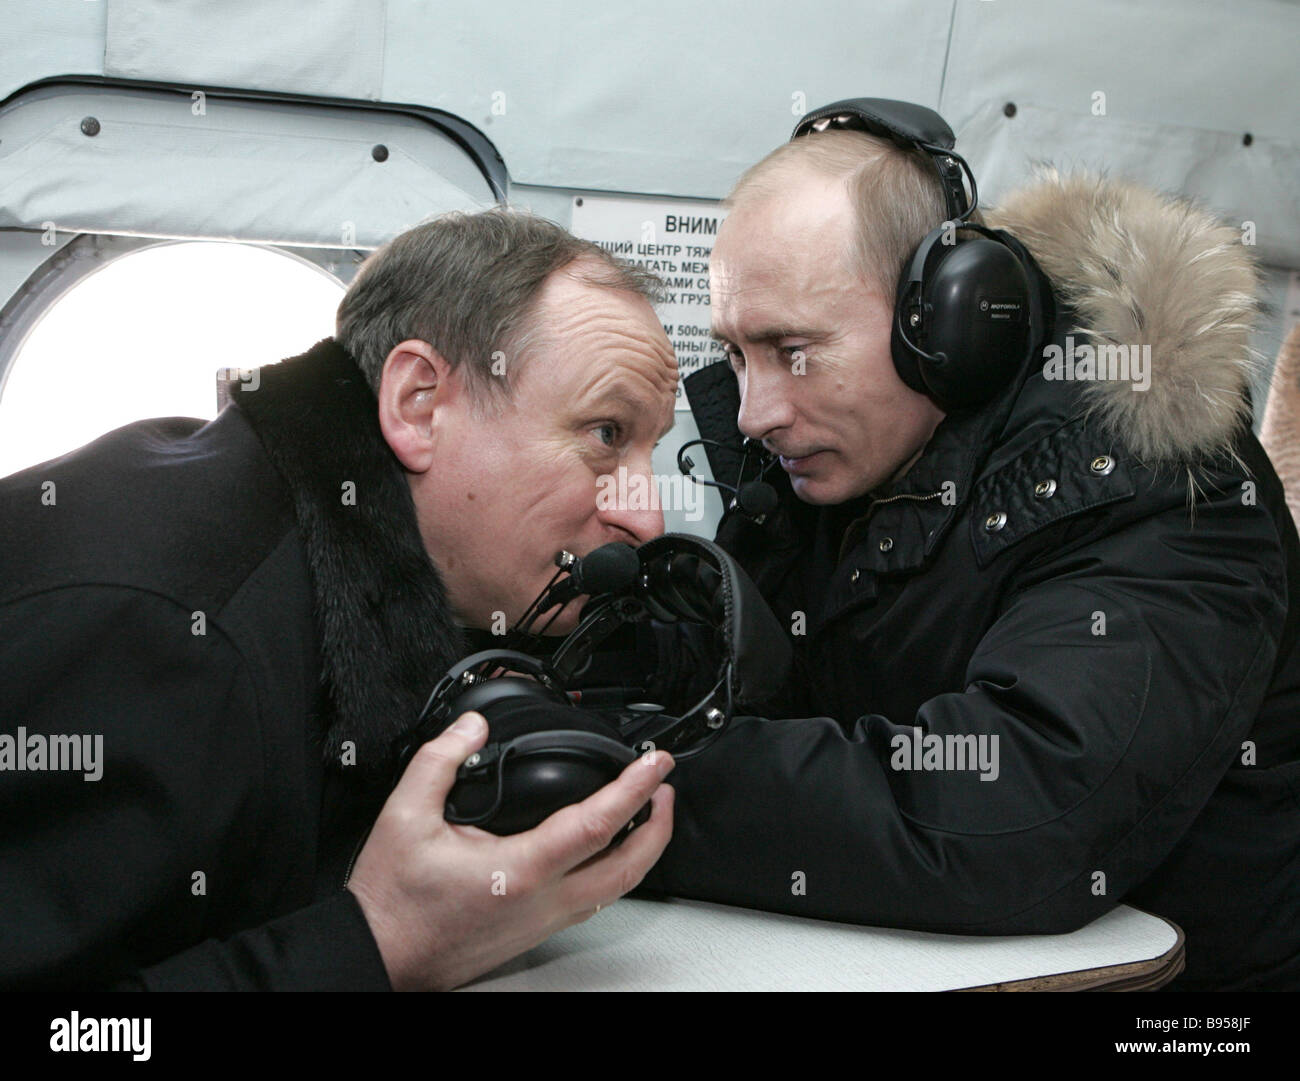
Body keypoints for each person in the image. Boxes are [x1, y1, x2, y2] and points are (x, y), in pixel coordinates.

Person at [636, 101, 1300, 990]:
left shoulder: (1167, 489)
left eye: (792, 349)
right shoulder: (838, 461)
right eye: (738, 354)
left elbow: (1009, 810)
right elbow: (760, 677)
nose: (756, 410)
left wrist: (627, 783)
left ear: (946, 326)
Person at [0, 207, 679, 991]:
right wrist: (382, 942)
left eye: (649, 446)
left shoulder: (378, 550)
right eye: (605, 433)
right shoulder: (169, 638)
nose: (646, 512)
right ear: (418, 404)